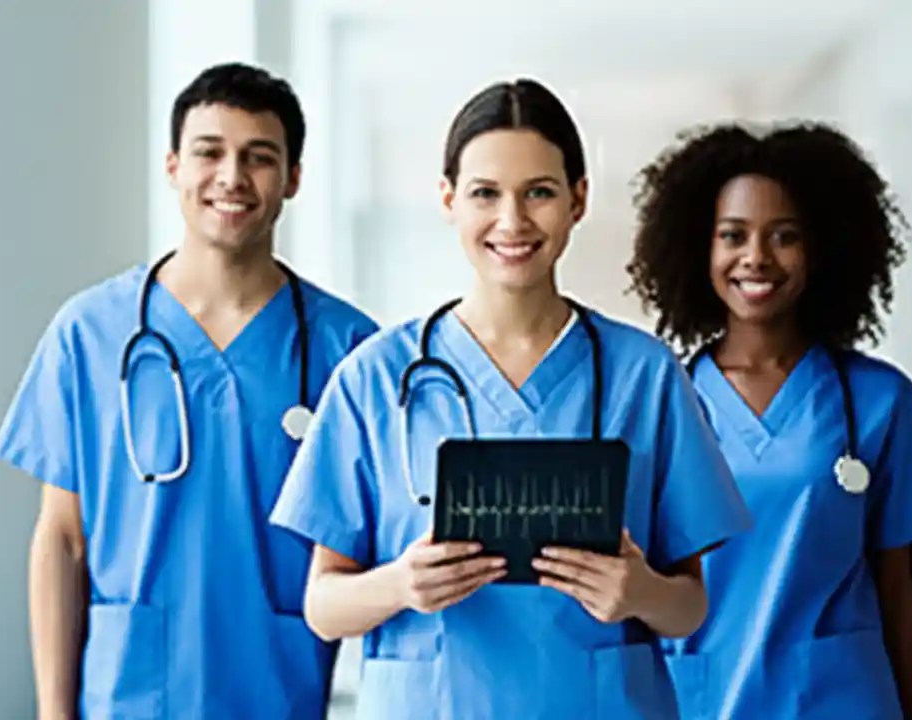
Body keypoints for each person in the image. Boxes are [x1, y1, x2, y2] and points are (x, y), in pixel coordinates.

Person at [268, 78, 750, 719]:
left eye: (540, 193)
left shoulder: (645, 375)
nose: (513, 221)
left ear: (578, 199)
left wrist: (636, 593)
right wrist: (400, 584)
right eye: (485, 194)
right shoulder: (378, 377)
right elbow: (323, 608)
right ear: (448, 200)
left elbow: (688, 606)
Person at [0, 62, 378, 719]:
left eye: (260, 157)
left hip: (276, 694)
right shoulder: (90, 333)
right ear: (173, 166)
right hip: (126, 698)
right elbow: (62, 539)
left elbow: (371, 555)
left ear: (293, 179)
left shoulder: (350, 351)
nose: (232, 177)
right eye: (210, 152)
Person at [626, 122, 912, 719]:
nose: (757, 257)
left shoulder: (880, 402)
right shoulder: (658, 402)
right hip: (701, 699)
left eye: (785, 236)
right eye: (733, 235)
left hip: (840, 701)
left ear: (822, 248)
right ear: (699, 248)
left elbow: (900, 595)